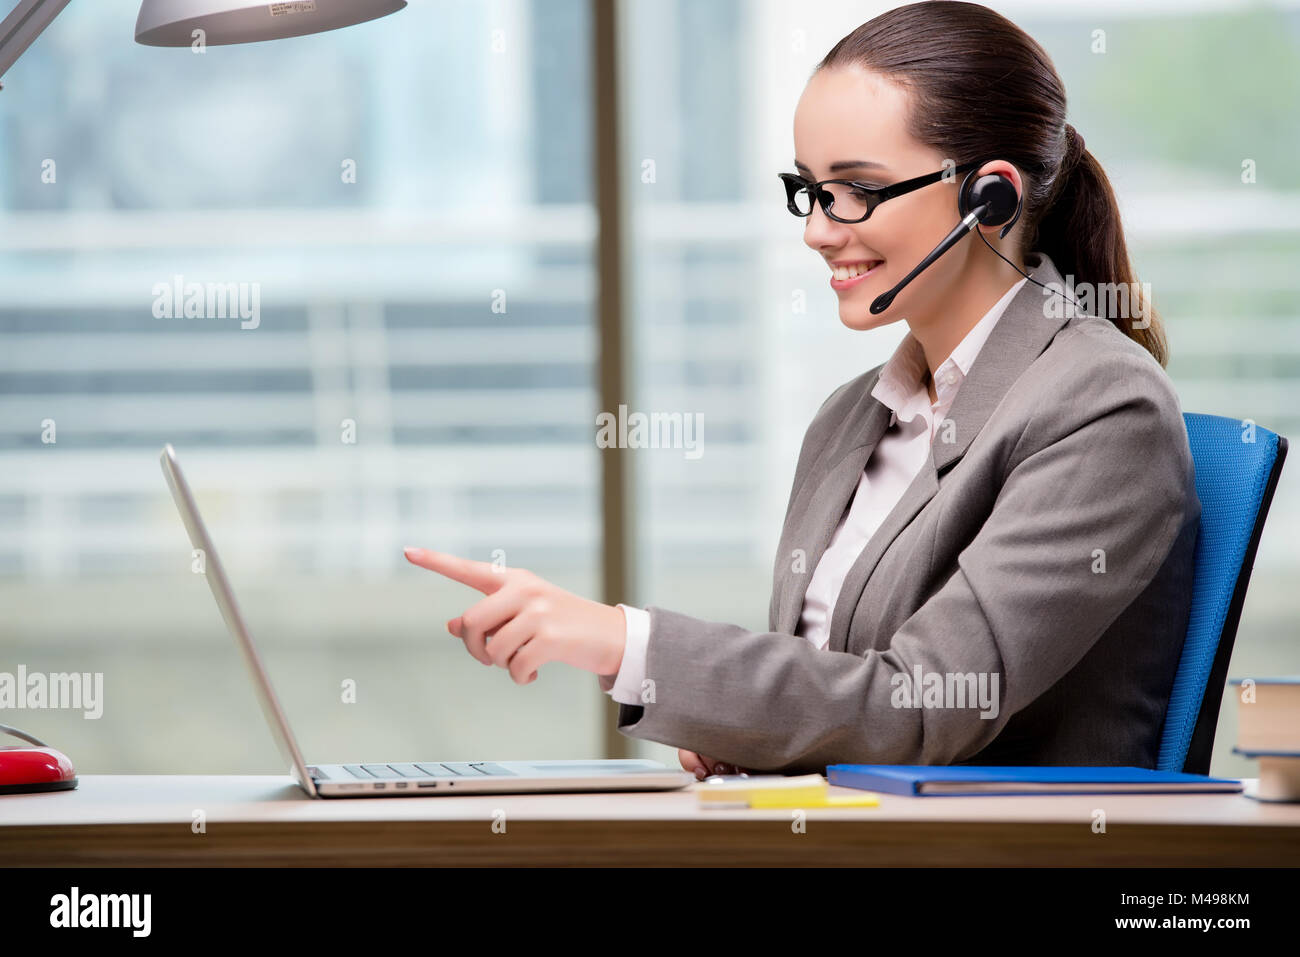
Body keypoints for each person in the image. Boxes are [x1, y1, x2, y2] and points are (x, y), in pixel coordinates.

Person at [404, 1, 1200, 779]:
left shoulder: (1103, 407)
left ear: (988, 198)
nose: (818, 229)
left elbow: (919, 706)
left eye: (857, 189)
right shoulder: (853, 415)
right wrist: (747, 728)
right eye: (812, 190)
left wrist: (623, 642)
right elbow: (837, 687)